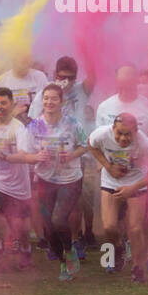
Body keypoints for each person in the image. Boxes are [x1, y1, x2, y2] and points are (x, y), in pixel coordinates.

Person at [28, 83, 89, 280]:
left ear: (61, 101)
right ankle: (63, 261)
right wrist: (38, 156)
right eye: (46, 98)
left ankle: (69, 253)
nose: (49, 102)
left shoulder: (73, 124)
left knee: (58, 220)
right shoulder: (34, 125)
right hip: (45, 180)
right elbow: (27, 153)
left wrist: (71, 155)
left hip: (70, 179)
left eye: (54, 98)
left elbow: (85, 146)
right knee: (48, 226)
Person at [87, 113, 148, 283]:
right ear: (113, 129)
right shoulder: (102, 134)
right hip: (110, 181)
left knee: (135, 229)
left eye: (128, 134)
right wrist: (107, 166)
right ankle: (118, 249)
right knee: (109, 227)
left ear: (136, 131)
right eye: (119, 133)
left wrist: (131, 189)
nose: (123, 138)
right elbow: (91, 144)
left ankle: (137, 267)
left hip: (136, 183)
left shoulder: (144, 143)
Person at [0, 87, 41, 267]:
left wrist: (3, 156)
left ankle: (26, 251)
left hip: (18, 185)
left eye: (3, 103)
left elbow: (22, 155)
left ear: (11, 104)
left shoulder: (18, 128)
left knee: (21, 227)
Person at [52, 54, 97, 258]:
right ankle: (56, 241)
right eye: (63, 77)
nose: (67, 82)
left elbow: (94, 74)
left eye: (71, 77)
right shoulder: (48, 93)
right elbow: (36, 119)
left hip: (79, 152)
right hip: (54, 155)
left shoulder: (82, 89)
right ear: (55, 74)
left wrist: (89, 44)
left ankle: (77, 238)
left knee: (79, 199)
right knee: (53, 202)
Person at [95, 65, 148, 136]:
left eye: (129, 88)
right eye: (121, 88)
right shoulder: (104, 107)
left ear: (136, 83)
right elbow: (99, 139)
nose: (124, 93)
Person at [0, 53, 49, 123]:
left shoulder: (39, 77)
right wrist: (10, 113)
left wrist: (27, 108)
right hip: (11, 128)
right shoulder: (1, 81)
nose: (25, 66)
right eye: (22, 62)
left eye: (27, 62)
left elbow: (48, 105)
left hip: (37, 127)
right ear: (13, 61)